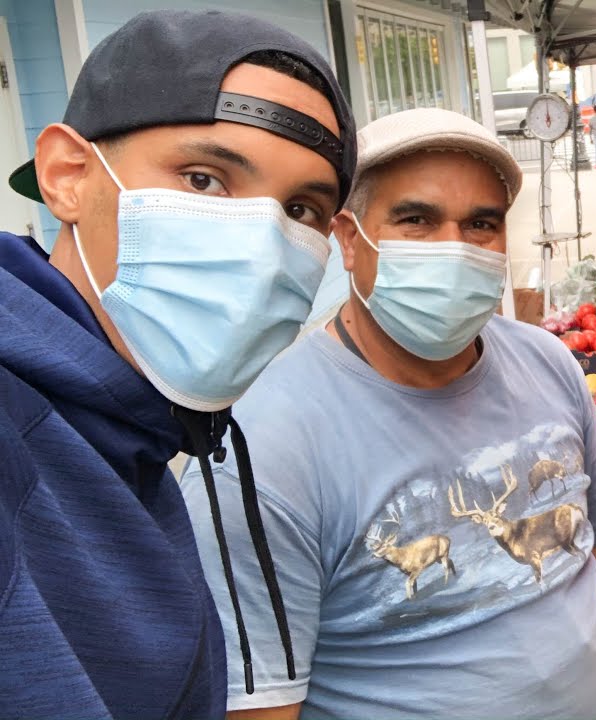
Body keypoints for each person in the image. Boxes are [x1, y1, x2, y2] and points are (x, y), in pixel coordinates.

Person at [180, 107, 596, 720]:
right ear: (350, 240)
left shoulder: (546, 362)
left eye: (481, 223)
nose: (454, 249)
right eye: (417, 220)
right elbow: (261, 702)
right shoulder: (261, 452)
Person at [0, 9, 357, 718]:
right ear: (67, 175)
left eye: (302, 209)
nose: (261, 245)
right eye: (204, 179)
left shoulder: (128, 424)